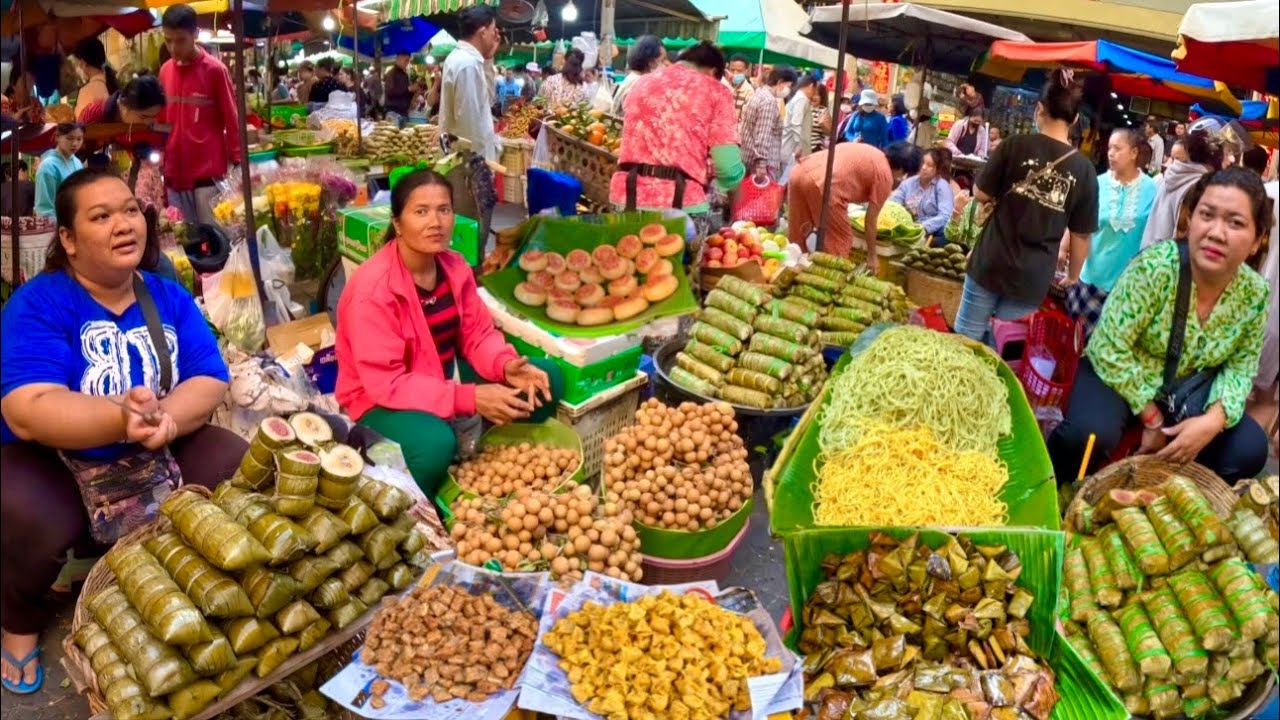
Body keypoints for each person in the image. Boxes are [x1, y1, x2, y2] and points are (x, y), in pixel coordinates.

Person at [0, 168, 244, 694]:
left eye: (130, 210)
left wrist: (169, 417)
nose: (123, 224)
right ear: (67, 239)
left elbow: (208, 374)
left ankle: (193, 590)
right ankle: (18, 618)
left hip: (153, 443)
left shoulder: (165, 293)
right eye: (101, 216)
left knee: (235, 464)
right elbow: (28, 406)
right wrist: (119, 418)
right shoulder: (38, 304)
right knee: (33, 519)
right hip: (55, 458)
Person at [335, 169, 562, 496]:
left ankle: (500, 464)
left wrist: (504, 365)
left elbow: (477, 335)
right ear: (397, 223)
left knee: (543, 378)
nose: (436, 222)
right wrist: (469, 398)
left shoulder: (454, 266)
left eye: (444, 210)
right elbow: (387, 383)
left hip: (441, 373)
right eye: (421, 211)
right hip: (379, 398)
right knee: (433, 443)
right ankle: (417, 505)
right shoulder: (372, 291)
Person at [1047, 168, 1272, 483]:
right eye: (1207, 215)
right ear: (1190, 221)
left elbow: (1241, 367)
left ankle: (1178, 495)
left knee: (1249, 449)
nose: (1217, 232)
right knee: (1087, 434)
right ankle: (1048, 482)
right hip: (1122, 373)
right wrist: (1152, 419)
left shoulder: (1255, 293)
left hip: (1187, 391)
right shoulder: (1155, 267)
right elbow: (1109, 346)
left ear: (1257, 240)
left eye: (1235, 223)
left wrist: (1212, 421)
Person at [952, 69, 1098, 343]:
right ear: (1076, 119)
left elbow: (980, 193)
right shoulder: (1084, 169)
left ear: (1038, 109)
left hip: (990, 261)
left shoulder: (1014, 145)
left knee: (965, 339)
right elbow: (1081, 234)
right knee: (1005, 348)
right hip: (1032, 276)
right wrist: (1074, 275)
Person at [609, 41, 744, 221]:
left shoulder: (642, 83)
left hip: (625, 197)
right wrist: (735, 185)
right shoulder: (716, 90)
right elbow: (727, 167)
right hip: (680, 206)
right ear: (713, 72)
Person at [1066, 128, 1159, 335]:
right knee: (1077, 346)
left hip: (1127, 288)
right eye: (1109, 148)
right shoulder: (1097, 184)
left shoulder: (1152, 190)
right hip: (1090, 280)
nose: (1110, 153)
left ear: (1134, 153)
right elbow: (1077, 226)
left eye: (1117, 148)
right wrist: (1064, 253)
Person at [157, 4, 241, 227]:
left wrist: (238, 161)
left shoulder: (215, 70)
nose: (173, 47)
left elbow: (233, 121)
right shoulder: (165, 71)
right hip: (174, 175)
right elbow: (162, 120)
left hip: (208, 177)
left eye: (180, 40)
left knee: (215, 241)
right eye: (168, 40)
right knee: (184, 242)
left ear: (195, 34)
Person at [787, 143, 893, 262]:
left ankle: (790, 271)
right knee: (840, 239)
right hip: (824, 186)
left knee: (799, 234)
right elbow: (870, 221)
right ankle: (830, 277)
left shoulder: (872, 152)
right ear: (902, 170)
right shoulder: (885, 175)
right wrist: (872, 256)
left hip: (800, 171)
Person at [1142, 122, 1225, 249]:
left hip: (1152, 254)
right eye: (1227, 152)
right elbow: (1184, 232)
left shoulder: (1173, 174)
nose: (1231, 159)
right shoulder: (1199, 185)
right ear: (1214, 156)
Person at [440, 5, 502, 162]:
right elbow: (470, 126)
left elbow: (487, 100)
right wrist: (478, 168)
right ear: (482, 33)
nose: (495, 35)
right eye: (493, 29)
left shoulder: (470, 61)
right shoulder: (467, 64)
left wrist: (488, 59)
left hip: (469, 161)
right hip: (470, 164)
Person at [737, 65, 797, 180]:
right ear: (780, 82)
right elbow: (763, 135)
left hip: (748, 158)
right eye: (788, 86)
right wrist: (761, 165)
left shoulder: (759, 94)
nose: (788, 90)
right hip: (762, 165)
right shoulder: (769, 102)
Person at [891, 147, 955, 241]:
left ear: (937, 169)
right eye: (923, 163)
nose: (924, 167)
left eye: (929, 165)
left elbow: (945, 215)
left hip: (931, 231)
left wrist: (922, 227)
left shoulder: (942, 186)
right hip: (907, 226)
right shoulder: (909, 183)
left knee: (944, 233)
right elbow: (894, 203)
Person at [33, 123, 85, 217]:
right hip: (57, 225)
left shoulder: (77, 162)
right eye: (70, 138)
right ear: (57, 137)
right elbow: (44, 209)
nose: (75, 143)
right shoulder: (48, 166)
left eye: (79, 139)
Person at [612, 35, 666, 117]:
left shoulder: (632, 78)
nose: (664, 65)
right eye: (662, 60)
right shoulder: (641, 84)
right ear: (650, 61)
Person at [71, 38, 118, 122]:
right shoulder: (111, 85)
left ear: (83, 63)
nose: (77, 68)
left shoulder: (87, 90)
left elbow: (81, 124)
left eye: (77, 63)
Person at [782, 75, 818, 182]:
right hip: (794, 150)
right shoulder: (802, 99)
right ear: (812, 86)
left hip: (789, 148)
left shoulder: (797, 98)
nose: (814, 94)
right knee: (790, 183)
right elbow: (796, 123)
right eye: (815, 90)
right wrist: (798, 145)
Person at [724, 54, 756, 122]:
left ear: (746, 71)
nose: (735, 73)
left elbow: (746, 119)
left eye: (739, 71)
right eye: (732, 70)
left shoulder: (749, 91)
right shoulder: (724, 86)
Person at [384, 52, 413, 118]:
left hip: (403, 111)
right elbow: (390, 92)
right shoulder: (391, 73)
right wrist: (408, 89)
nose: (407, 63)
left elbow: (406, 94)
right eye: (406, 60)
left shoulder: (404, 75)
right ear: (398, 59)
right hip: (393, 111)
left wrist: (413, 91)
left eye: (408, 61)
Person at [810, 82, 831, 154]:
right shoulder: (804, 108)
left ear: (822, 97)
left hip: (816, 147)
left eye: (817, 95)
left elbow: (829, 133)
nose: (814, 97)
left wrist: (822, 125)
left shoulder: (823, 111)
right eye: (812, 94)